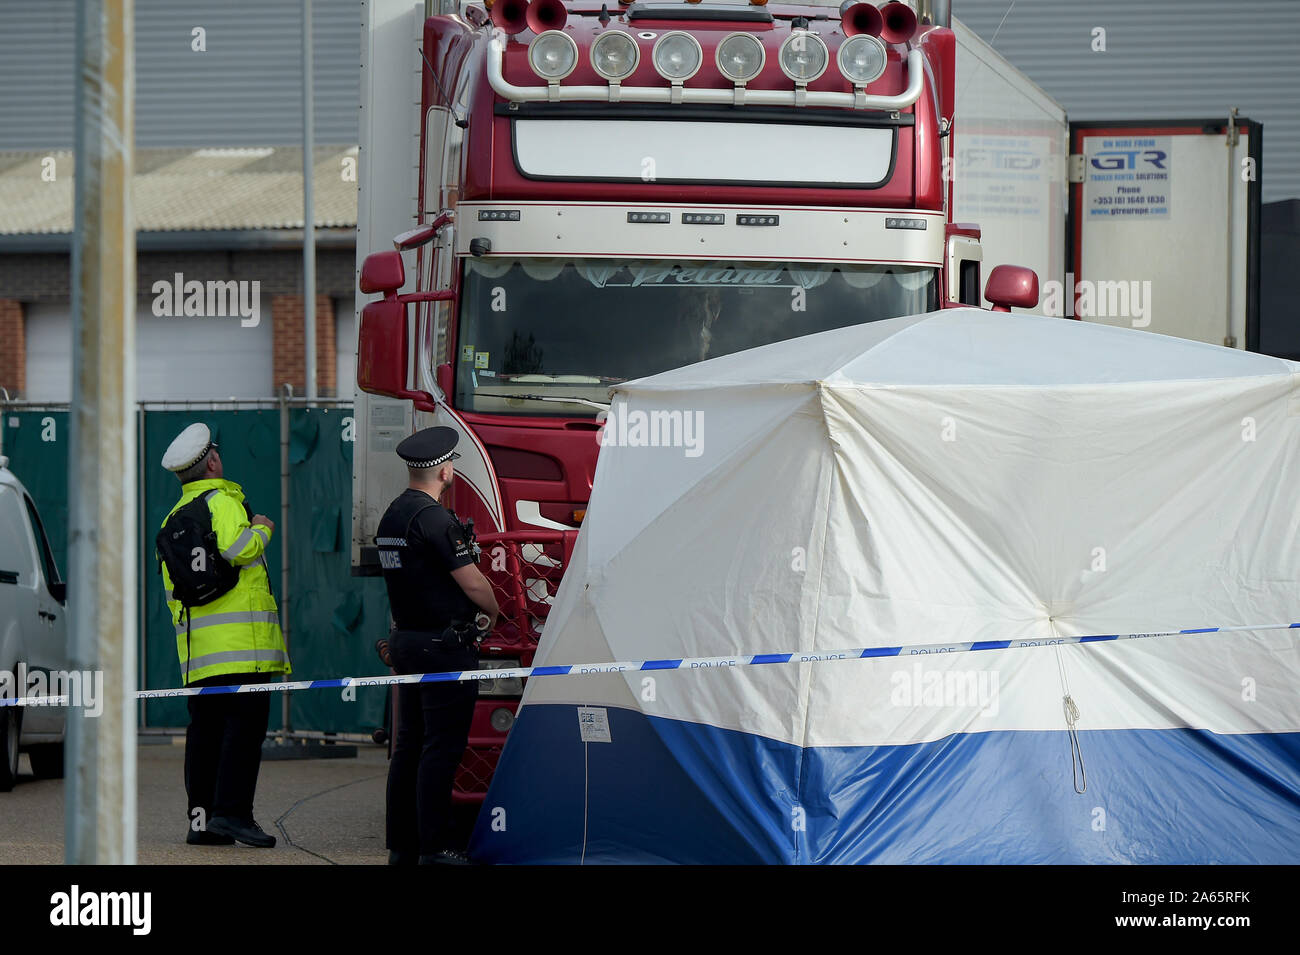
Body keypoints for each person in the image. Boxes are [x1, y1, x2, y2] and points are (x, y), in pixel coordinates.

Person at [158, 422, 289, 848]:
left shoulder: (173, 518)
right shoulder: (223, 502)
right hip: (242, 649)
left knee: (205, 735)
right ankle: (233, 815)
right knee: (244, 733)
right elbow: (238, 549)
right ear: (212, 461)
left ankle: (202, 822)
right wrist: (264, 528)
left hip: (199, 654)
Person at [376, 426, 499, 865]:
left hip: (407, 640)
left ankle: (402, 847)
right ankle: (436, 847)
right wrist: (494, 609)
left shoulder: (392, 515)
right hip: (443, 645)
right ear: (445, 470)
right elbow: (473, 583)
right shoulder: (434, 519)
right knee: (440, 749)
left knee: (408, 745)